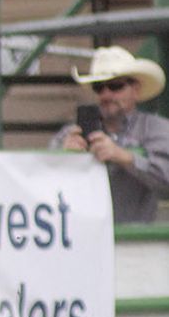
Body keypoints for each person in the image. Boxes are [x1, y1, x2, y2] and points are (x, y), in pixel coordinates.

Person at [51, 45, 169, 224]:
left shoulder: (156, 129)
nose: (106, 95)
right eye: (99, 87)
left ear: (135, 89)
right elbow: (44, 179)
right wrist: (63, 157)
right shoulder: (70, 134)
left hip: (137, 243)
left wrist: (124, 157)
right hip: (84, 238)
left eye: (115, 86)